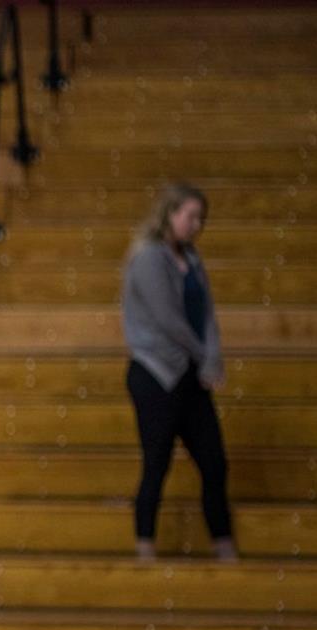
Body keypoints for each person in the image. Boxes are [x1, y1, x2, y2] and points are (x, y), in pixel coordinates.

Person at [121, 182, 233, 562]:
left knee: (214, 461)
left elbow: (207, 315)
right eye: (190, 216)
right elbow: (169, 318)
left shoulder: (193, 259)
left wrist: (213, 357)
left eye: (201, 218)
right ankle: (145, 545)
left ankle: (223, 543)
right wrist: (204, 354)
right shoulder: (150, 259)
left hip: (188, 372)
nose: (196, 225)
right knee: (157, 461)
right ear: (169, 214)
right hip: (156, 373)